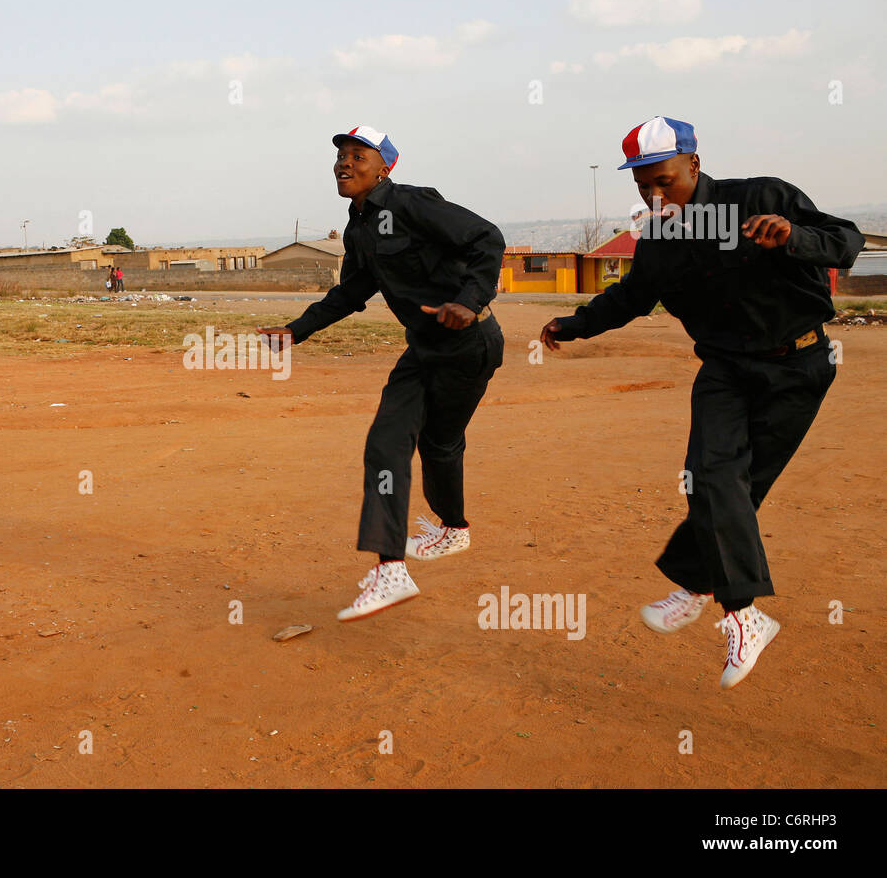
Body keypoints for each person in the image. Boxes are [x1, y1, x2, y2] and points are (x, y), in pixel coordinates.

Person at [540, 116, 864, 689]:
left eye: (662, 180)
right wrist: (576, 323)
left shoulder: (763, 196)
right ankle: (745, 615)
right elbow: (634, 296)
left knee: (742, 487)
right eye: (642, 184)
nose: (653, 194)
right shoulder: (660, 237)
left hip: (800, 365)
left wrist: (793, 237)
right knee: (711, 477)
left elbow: (847, 241)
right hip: (725, 371)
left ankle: (693, 585)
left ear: (693, 163)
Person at [257, 125, 505, 622]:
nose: (343, 164)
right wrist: (296, 330)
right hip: (423, 350)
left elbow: (487, 238)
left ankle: (454, 527)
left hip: (468, 342)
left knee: (439, 444)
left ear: (385, 166)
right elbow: (351, 293)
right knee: (386, 444)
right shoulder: (358, 229)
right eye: (340, 156)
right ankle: (391, 569)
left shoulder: (413, 205)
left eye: (357, 155)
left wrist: (467, 299)